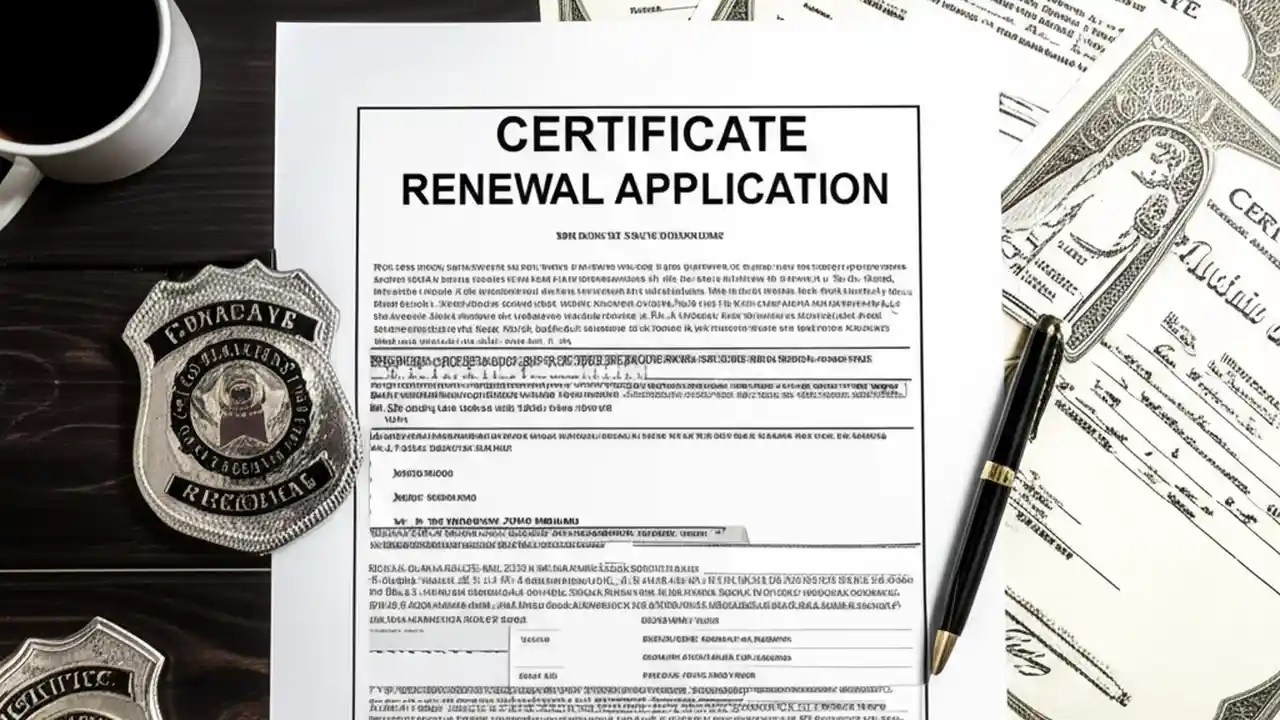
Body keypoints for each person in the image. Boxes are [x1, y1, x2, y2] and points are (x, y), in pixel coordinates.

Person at [1005, 133, 1190, 330]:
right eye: (1154, 161)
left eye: (1167, 170)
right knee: (1031, 282)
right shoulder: (1118, 172)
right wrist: (1055, 216)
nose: (1157, 173)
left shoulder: (1161, 198)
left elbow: (1154, 229)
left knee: (1066, 301)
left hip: (1101, 260)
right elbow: (1080, 195)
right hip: (1067, 240)